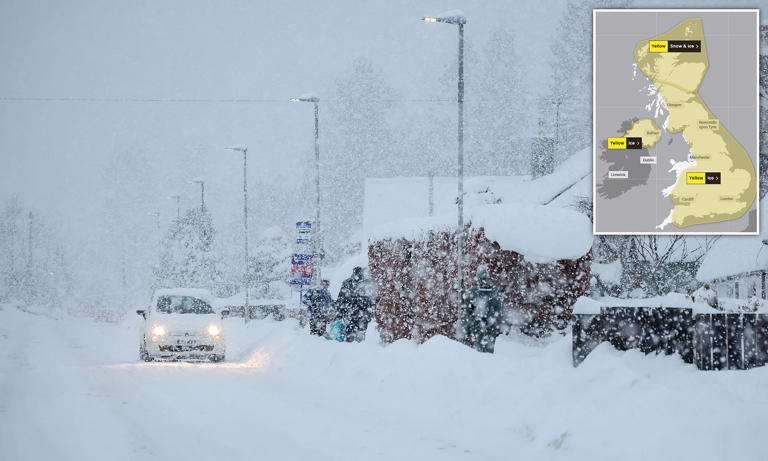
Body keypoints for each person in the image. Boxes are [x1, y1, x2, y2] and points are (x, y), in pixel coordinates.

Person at [458, 265, 504, 353]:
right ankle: (490, 362)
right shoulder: (494, 290)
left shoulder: (473, 290)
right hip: (491, 323)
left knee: (479, 347)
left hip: (477, 324)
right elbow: (499, 308)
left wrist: (466, 327)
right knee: (490, 347)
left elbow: (468, 310)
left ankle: (481, 363)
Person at [336, 266, 374, 343]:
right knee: (360, 331)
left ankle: (351, 345)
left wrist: (340, 312)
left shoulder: (347, 282)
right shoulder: (365, 283)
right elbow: (370, 298)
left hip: (351, 311)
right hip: (361, 311)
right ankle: (357, 346)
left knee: (352, 331)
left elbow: (341, 299)